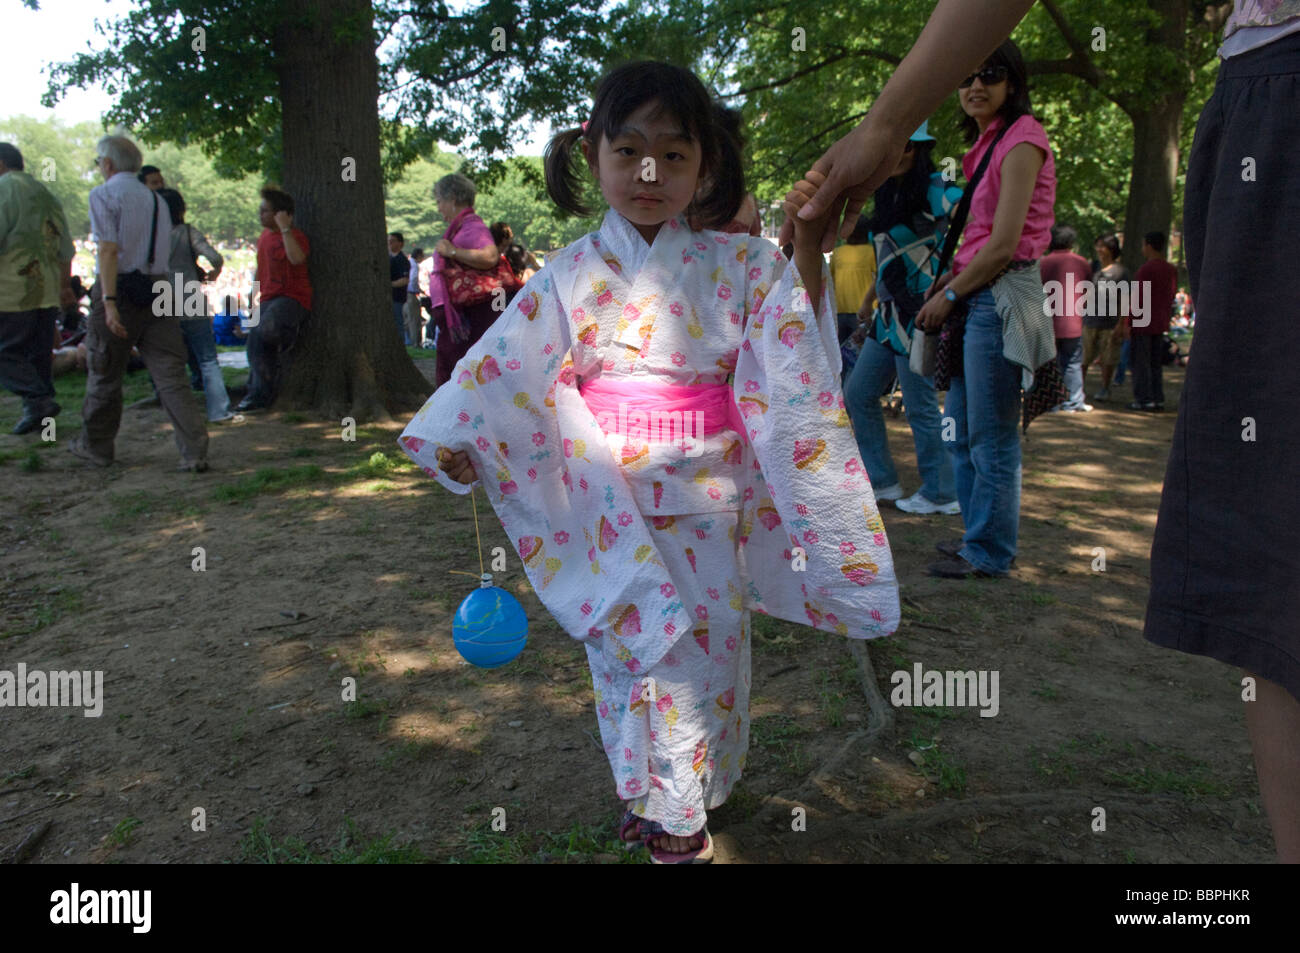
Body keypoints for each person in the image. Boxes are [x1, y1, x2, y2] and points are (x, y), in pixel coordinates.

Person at [400, 60, 899, 862]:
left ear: (706, 164)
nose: (648, 173)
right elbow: (506, 368)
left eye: (675, 155)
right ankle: (663, 804)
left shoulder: (744, 268)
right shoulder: (567, 274)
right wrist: (465, 433)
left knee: (706, 651)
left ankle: (680, 805)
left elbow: (795, 373)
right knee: (630, 654)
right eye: (628, 149)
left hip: (711, 500)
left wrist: (807, 242)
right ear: (593, 152)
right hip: (608, 509)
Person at [912, 39, 1057, 579]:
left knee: (992, 435)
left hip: (1000, 297)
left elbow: (1004, 245)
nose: (975, 85)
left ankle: (989, 552)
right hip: (976, 295)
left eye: (990, 75)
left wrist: (949, 295)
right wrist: (952, 283)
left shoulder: (1023, 137)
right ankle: (978, 536)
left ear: (1013, 84)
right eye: (967, 76)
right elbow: (981, 240)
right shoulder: (987, 144)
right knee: (962, 428)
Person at [842, 122, 962, 515]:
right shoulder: (886, 191)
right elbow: (890, 256)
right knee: (858, 394)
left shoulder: (937, 187)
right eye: (892, 145)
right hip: (886, 318)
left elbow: (979, 227)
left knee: (920, 404)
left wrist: (951, 286)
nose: (899, 154)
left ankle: (942, 492)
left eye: (908, 146)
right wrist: (869, 296)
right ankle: (883, 482)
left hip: (920, 315)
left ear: (920, 150)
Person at [69, 135, 209, 471]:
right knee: (172, 374)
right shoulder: (157, 201)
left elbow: (107, 249)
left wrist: (110, 300)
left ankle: (97, 447)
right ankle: (194, 451)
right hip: (158, 286)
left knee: (105, 370)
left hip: (120, 287)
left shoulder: (103, 195)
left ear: (107, 164)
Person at [0, 142, 76, 434]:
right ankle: (42, 421)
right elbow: (66, 248)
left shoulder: (5, 189)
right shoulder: (47, 194)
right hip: (45, 290)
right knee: (38, 356)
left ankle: (38, 400)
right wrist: (64, 286)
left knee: (5, 352)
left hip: (12, 289)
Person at [158, 187, 236, 423]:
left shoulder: (151, 235)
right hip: (190, 293)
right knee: (207, 359)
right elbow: (215, 257)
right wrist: (213, 274)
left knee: (170, 361)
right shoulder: (187, 232)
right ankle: (219, 411)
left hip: (162, 296)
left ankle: (177, 414)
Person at [429, 174, 511, 387]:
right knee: (455, 377)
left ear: (453, 198)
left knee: (457, 378)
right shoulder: (462, 226)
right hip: (462, 321)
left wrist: (453, 251)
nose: (439, 208)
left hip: (469, 320)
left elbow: (490, 256)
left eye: (439, 201)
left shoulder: (472, 226)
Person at [237, 187, 311, 413]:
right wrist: (253, 292)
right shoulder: (263, 238)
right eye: (260, 211)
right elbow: (261, 268)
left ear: (281, 213)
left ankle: (261, 393)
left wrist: (285, 228)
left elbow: (297, 258)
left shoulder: (295, 236)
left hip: (292, 297)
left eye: (266, 211)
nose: (261, 215)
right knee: (254, 339)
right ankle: (259, 390)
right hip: (269, 298)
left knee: (262, 331)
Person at [1039, 224, 1091, 412]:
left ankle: (1050, 400)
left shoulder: (1042, 263)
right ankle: (1074, 401)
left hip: (1046, 322)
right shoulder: (1082, 262)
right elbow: (1087, 290)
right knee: (1073, 362)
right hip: (1072, 322)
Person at [1128, 231, 1177, 411]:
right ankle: (1157, 397)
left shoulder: (1146, 269)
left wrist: (1129, 322)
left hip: (1143, 323)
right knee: (1156, 363)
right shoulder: (1170, 269)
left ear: (1148, 246)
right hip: (1160, 322)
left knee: (1141, 362)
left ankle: (1143, 398)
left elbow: (1138, 297)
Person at [1084, 232, 1127, 400]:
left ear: (1111, 249)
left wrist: (1121, 324)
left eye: (1102, 246)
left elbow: (1125, 299)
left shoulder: (1120, 272)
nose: (1099, 249)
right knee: (1083, 357)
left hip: (1110, 322)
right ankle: (1079, 388)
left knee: (1108, 359)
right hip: (1089, 319)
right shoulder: (1092, 267)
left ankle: (1105, 388)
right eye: (1098, 246)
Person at [829, 211, 876, 361]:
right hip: (863, 313)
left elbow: (831, 281)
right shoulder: (872, 252)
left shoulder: (838, 253)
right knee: (861, 358)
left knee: (839, 358)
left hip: (840, 312)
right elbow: (879, 278)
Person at [388, 231, 411, 344]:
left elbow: (405, 280)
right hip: (389, 297)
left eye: (392, 241)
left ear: (400, 243)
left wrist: (389, 285)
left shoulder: (402, 260)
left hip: (397, 298)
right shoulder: (388, 258)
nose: (389, 243)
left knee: (398, 322)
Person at [404, 247, 425, 346]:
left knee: (409, 319)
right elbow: (413, 279)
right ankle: (415, 342)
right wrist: (417, 290)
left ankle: (411, 341)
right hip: (411, 294)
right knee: (414, 319)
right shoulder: (414, 265)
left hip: (407, 293)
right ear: (419, 256)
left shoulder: (408, 262)